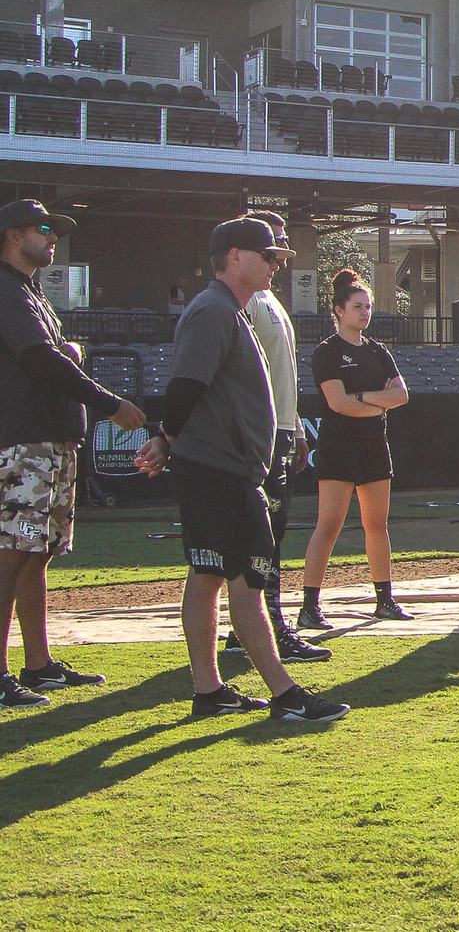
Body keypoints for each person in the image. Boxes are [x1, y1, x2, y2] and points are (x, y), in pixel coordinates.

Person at [133, 217, 347, 722]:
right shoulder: (213, 310)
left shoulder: (229, 309)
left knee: (209, 574)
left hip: (223, 465)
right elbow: (186, 384)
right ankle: (284, 694)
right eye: (266, 255)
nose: (276, 264)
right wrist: (167, 437)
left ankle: (211, 692)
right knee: (246, 579)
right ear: (233, 255)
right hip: (218, 467)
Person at [0, 200, 144, 708]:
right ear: (14, 234)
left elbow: (55, 355)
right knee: (12, 553)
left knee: (37, 553)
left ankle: (37, 665)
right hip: (25, 440)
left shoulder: (30, 291)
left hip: (52, 440)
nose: (53, 236)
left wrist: (70, 354)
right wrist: (108, 403)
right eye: (45, 229)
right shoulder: (6, 289)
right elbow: (43, 361)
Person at [222, 211, 331, 663]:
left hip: (282, 430)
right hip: (258, 436)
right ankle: (268, 628)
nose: (278, 259)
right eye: (270, 249)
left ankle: (248, 629)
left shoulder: (269, 298)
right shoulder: (242, 299)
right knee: (260, 538)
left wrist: (296, 427)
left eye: (282, 246)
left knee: (272, 536)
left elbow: (280, 374)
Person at [296, 270, 410, 626]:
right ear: (339, 310)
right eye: (357, 306)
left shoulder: (379, 351)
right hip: (338, 446)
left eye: (368, 306)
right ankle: (310, 607)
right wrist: (377, 403)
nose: (364, 312)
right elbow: (337, 403)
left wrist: (361, 397)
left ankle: (385, 600)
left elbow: (402, 395)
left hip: (374, 444)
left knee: (377, 524)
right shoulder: (327, 351)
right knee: (328, 525)